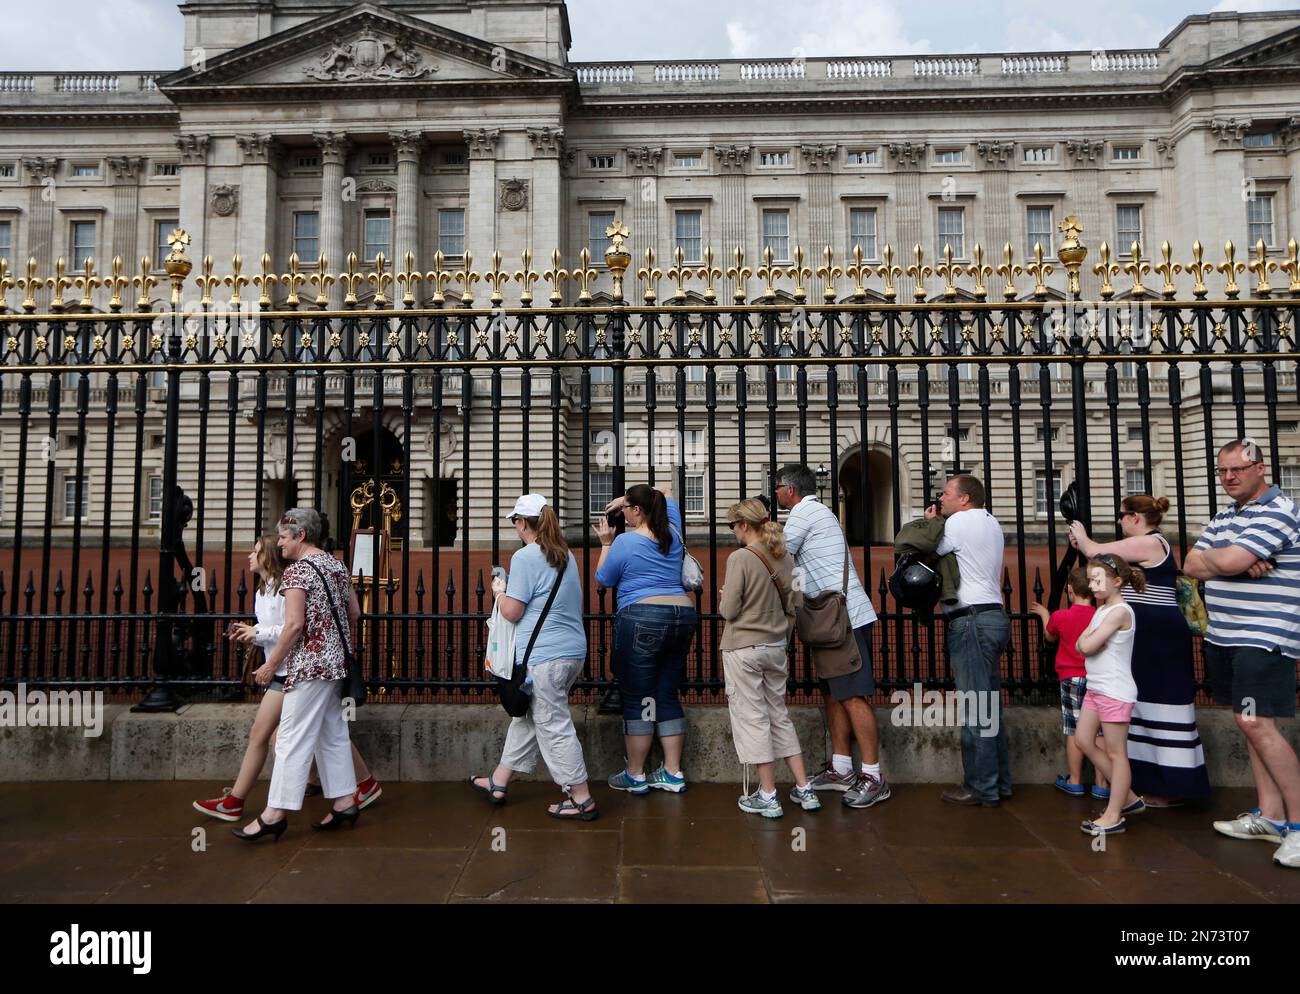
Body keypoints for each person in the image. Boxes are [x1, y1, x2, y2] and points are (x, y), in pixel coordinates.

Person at [193, 535, 382, 823]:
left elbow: (292, 626)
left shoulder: (293, 578)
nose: (250, 556)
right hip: (307, 666)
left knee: (284, 737)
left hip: (294, 668)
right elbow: (351, 612)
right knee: (322, 732)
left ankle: (265, 809)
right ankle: (348, 791)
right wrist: (252, 632)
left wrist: (263, 646)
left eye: (257, 551)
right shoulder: (269, 586)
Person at [1184, 439, 1300, 870]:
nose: (1230, 477)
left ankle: (1299, 826)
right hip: (1225, 635)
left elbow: (1223, 559)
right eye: (1223, 471)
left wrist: (1231, 559)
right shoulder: (1225, 515)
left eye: (1238, 469)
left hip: (1262, 636)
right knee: (1249, 724)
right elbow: (1192, 563)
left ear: (1260, 468)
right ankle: (1269, 816)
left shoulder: (1279, 510)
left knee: (1255, 721)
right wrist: (1232, 561)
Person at [1069, 495, 1211, 806]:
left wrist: (1080, 535)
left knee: (1164, 705)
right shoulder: (1150, 544)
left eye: (1122, 515)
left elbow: (1096, 553)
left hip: (1159, 639)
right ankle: (1150, 785)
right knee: (1144, 707)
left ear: (1135, 517)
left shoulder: (1151, 542)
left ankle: (1177, 787)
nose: (1119, 521)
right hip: (1148, 637)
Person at [233, 508, 361, 841]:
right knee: (332, 734)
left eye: (285, 538)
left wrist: (270, 664)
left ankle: (275, 812)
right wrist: (339, 644)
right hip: (336, 664)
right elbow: (354, 612)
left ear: (301, 535)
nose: (280, 545)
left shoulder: (297, 572)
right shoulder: (336, 564)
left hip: (309, 666)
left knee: (290, 738)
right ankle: (346, 799)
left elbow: (293, 625)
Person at [469, 495, 597, 820]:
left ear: (522, 523)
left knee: (552, 724)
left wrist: (500, 592)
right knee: (528, 718)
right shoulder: (565, 554)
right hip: (571, 650)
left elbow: (513, 612)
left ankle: (581, 796)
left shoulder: (526, 557)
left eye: (515, 521)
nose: (514, 526)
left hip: (544, 657)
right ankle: (498, 781)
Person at [776, 464, 889, 809]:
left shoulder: (804, 512)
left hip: (845, 620)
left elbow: (775, 553)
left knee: (852, 695)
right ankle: (842, 768)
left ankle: (873, 776)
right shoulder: (814, 511)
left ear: (791, 490)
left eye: (778, 487)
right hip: (832, 619)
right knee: (834, 693)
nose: (776, 493)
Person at [719, 497, 820, 818]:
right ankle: (804, 787)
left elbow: (729, 611)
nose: (732, 531)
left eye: (733, 525)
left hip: (743, 646)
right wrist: (780, 630)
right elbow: (797, 603)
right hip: (776, 647)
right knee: (779, 715)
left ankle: (768, 793)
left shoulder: (740, 558)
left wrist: (724, 597)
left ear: (745, 525)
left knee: (753, 718)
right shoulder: (787, 558)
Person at [594, 484, 697, 795]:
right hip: (682, 615)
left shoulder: (625, 542)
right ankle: (672, 772)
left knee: (639, 698)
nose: (623, 513)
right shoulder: (673, 533)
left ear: (637, 511)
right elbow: (666, 491)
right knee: (665, 694)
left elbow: (603, 579)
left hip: (642, 617)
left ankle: (636, 774)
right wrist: (626, 499)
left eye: (627, 508)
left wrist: (606, 544)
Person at [927, 474, 1011, 807]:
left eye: (946, 494)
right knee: (991, 707)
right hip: (993, 616)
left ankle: (981, 787)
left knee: (977, 710)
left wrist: (931, 523)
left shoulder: (959, 523)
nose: (941, 498)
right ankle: (999, 783)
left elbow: (928, 548)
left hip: (971, 622)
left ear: (964, 499)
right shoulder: (992, 523)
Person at [1075, 554, 1149, 835]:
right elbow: (1084, 643)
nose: (1092, 585)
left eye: (1097, 580)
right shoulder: (1103, 609)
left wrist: (1087, 642)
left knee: (1117, 754)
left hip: (1115, 690)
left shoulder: (1120, 611)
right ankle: (1127, 797)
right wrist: (1087, 642)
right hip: (1097, 687)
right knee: (1083, 740)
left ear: (1117, 582)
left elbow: (1086, 645)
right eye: (1090, 580)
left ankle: (1114, 815)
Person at [1030, 567, 1107, 798]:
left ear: (1070, 590)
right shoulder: (1100, 615)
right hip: (1096, 677)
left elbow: (1050, 636)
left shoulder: (1061, 616)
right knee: (1100, 731)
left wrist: (1045, 614)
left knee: (1073, 729)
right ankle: (1101, 783)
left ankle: (1074, 780)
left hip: (1070, 677)